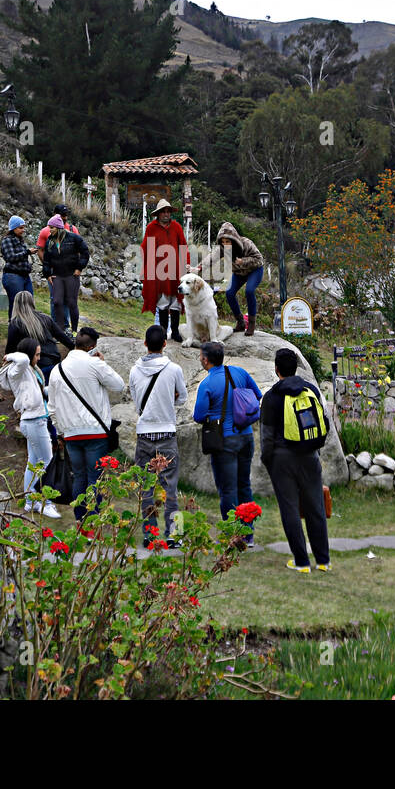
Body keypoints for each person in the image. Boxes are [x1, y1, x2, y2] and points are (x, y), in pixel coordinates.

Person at [261, 348, 330, 573]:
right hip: (310, 454)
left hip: (282, 458)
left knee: (290, 508)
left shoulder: (272, 397)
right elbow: (324, 423)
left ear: (276, 369)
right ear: (296, 368)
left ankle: (301, 562)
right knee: (315, 506)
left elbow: (267, 435)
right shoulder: (309, 390)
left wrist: (267, 460)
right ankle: (322, 561)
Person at [47, 327, 125, 522]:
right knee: (95, 478)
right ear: (92, 347)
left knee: (79, 477)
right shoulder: (95, 364)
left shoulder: (58, 369)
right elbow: (118, 385)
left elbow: (52, 407)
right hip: (95, 431)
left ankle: (80, 520)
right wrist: (102, 363)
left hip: (71, 433)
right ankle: (93, 520)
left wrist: (60, 430)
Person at [193, 341, 262, 546]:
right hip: (246, 436)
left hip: (224, 440)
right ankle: (248, 535)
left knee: (228, 489)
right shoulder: (239, 372)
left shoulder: (207, 384)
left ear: (205, 360)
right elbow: (257, 395)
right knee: (244, 485)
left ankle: (233, 534)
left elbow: (198, 415)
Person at [129, 324, 188, 542]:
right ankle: (175, 534)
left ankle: (149, 535)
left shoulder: (135, 371)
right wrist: (167, 399)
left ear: (145, 344)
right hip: (166, 433)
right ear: (165, 344)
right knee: (170, 485)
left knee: (146, 487)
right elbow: (182, 397)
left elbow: (138, 405)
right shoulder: (174, 369)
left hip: (144, 434)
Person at [0, 337, 60, 519]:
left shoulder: (31, 370)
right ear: (28, 353)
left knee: (33, 463)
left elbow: (37, 393)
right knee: (47, 461)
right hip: (33, 421)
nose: (39, 358)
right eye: (37, 354)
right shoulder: (18, 369)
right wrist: (10, 355)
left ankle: (31, 501)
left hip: (37, 418)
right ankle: (46, 502)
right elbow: (23, 359)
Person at [195, 221, 264, 336]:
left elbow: (259, 260)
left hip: (254, 270)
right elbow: (211, 258)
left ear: (234, 239)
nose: (225, 244)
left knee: (249, 291)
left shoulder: (246, 243)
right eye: (223, 242)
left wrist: (244, 261)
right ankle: (240, 322)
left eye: (228, 241)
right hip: (239, 273)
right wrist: (199, 268)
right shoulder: (222, 248)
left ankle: (251, 323)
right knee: (229, 293)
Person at [141, 199, 188, 343]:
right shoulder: (151, 228)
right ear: (158, 214)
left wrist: (185, 264)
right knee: (162, 301)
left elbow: (183, 246)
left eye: (168, 211)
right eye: (163, 211)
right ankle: (162, 332)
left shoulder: (176, 227)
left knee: (175, 301)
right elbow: (146, 248)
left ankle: (174, 332)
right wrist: (145, 270)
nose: (166, 214)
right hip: (158, 269)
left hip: (175, 268)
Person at [6, 290, 72, 384]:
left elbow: (10, 349)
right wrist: (77, 350)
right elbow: (63, 337)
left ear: (15, 305)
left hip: (35, 368)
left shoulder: (15, 324)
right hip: (54, 363)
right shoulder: (46, 318)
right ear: (32, 302)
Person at [41, 215, 91, 333]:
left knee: (72, 302)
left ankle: (73, 331)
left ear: (58, 228)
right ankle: (61, 330)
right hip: (57, 275)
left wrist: (79, 268)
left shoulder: (73, 238)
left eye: (52, 227)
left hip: (71, 275)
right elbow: (46, 259)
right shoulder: (50, 241)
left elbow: (85, 253)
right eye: (49, 227)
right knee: (57, 301)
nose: (50, 230)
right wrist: (47, 274)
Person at [0, 216, 35, 317]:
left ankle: (27, 328)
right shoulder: (7, 240)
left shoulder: (20, 240)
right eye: (21, 228)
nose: (23, 230)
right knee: (16, 304)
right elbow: (10, 257)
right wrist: (27, 252)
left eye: (23, 227)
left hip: (24, 276)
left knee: (29, 302)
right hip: (13, 276)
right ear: (13, 228)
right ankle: (14, 327)